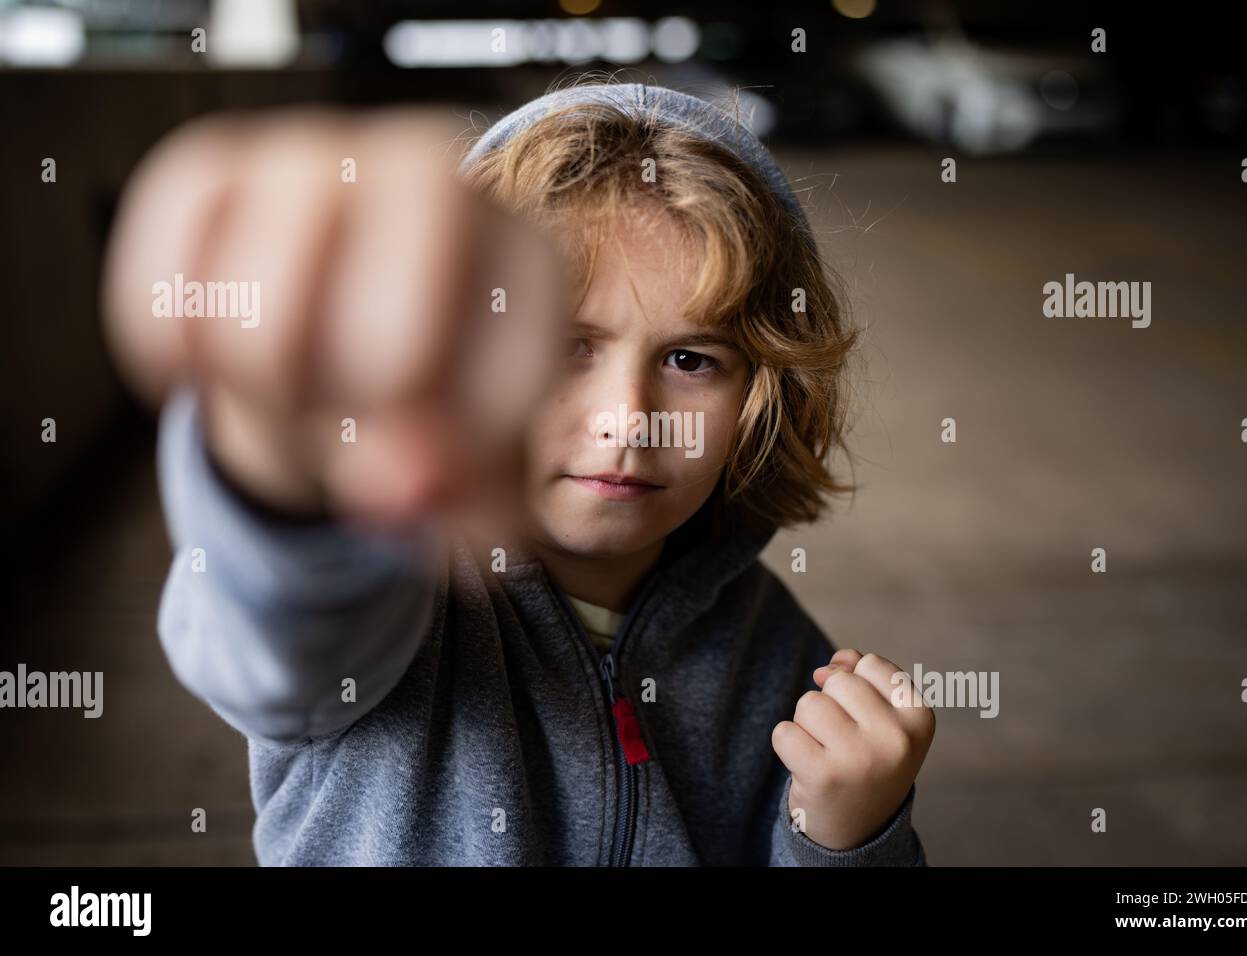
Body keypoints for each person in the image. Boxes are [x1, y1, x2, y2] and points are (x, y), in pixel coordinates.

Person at [102, 80, 935, 865]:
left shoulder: (779, 652)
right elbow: (280, 620)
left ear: (762, 387)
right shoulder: (392, 600)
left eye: (690, 358)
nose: (627, 417)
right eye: (566, 346)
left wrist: (842, 840)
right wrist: (283, 437)